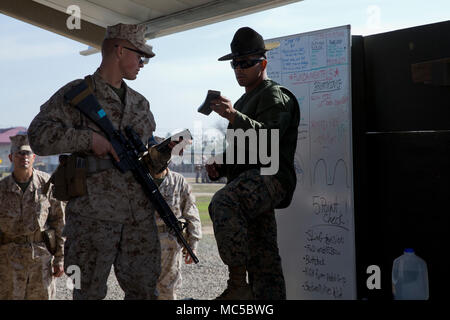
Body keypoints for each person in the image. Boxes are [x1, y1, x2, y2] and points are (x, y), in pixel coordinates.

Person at [27, 23, 172, 300]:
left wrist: (159, 154)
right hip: (93, 218)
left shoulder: (140, 104)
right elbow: (38, 136)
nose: (142, 63)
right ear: (119, 50)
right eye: (139, 56)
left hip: (138, 217)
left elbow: (147, 150)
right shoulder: (79, 94)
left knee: (145, 293)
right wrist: (88, 141)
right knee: (87, 293)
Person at [206, 27, 300, 300]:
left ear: (263, 64)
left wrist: (234, 116)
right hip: (251, 180)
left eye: (247, 63)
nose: (239, 69)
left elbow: (269, 139)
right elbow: (246, 150)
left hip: (270, 178)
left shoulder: (274, 95)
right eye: (235, 63)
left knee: (224, 203)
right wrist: (220, 166)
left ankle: (237, 286)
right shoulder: (245, 100)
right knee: (263, 257)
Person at [0, 134, 65, 299]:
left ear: (34, 157)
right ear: (10, 157)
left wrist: (60, 258)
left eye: (27, 153)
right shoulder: (2, 188)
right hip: (8, 260)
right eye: (19, 153)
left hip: (41, 259)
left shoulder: (47, 184)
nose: (24, 157)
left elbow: (60, 222)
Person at [152, 168, 202, 300]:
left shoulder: (178, 181)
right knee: (139, 289)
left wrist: (193, 244)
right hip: (142, 242)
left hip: (170, 245)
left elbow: (191, 213)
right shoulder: (137, 177)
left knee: (167, 291)